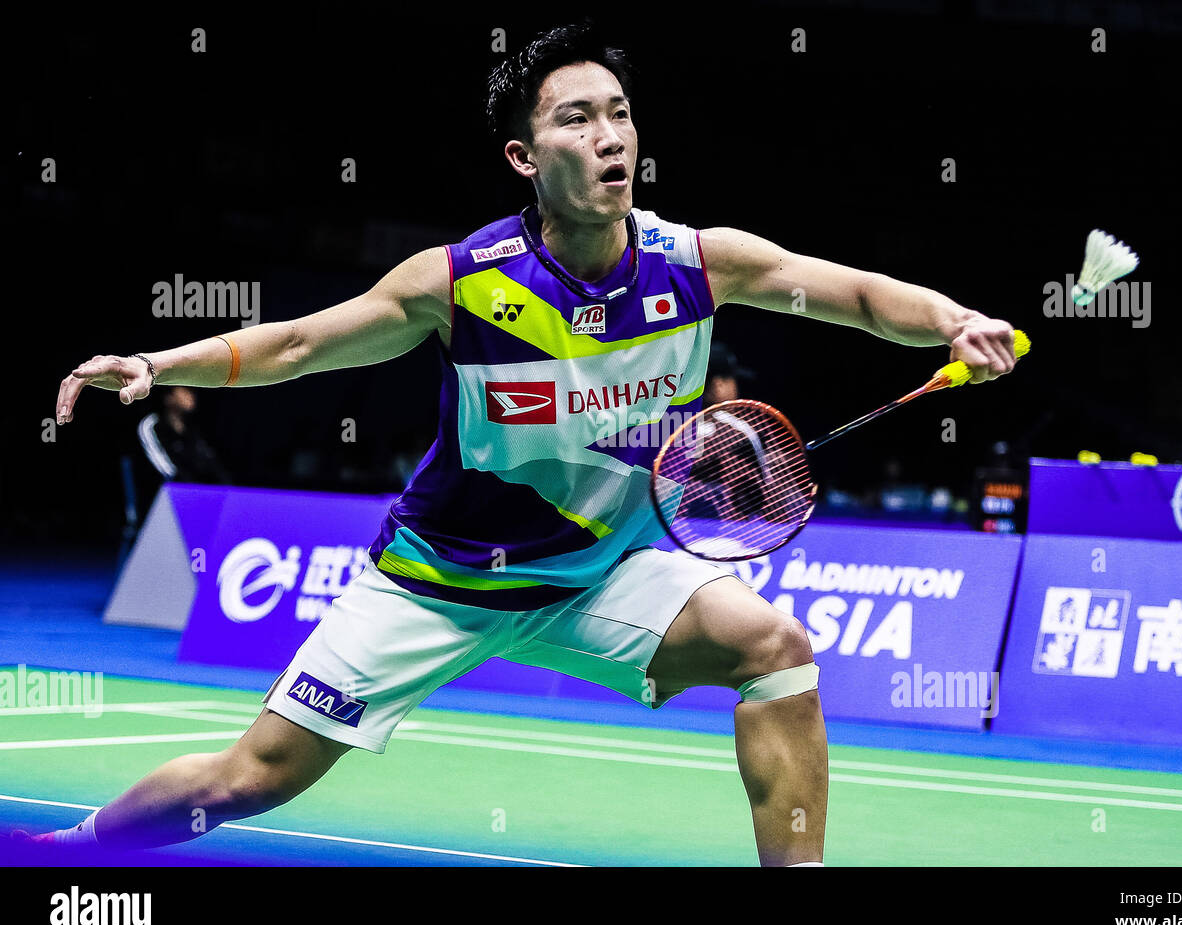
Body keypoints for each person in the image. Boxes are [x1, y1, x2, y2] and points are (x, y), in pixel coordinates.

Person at [41, 22, 1019, 866]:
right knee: (253, 775)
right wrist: (161, 360)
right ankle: (77, 851)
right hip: (439, 584)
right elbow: (299, 343)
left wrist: (953, 319)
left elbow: (845, 292)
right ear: (523, 155)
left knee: (773, 647)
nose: (610, 138)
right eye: (577, 119)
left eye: (621, 113)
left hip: (594, 577)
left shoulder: (694, 265)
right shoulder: (463, 284)